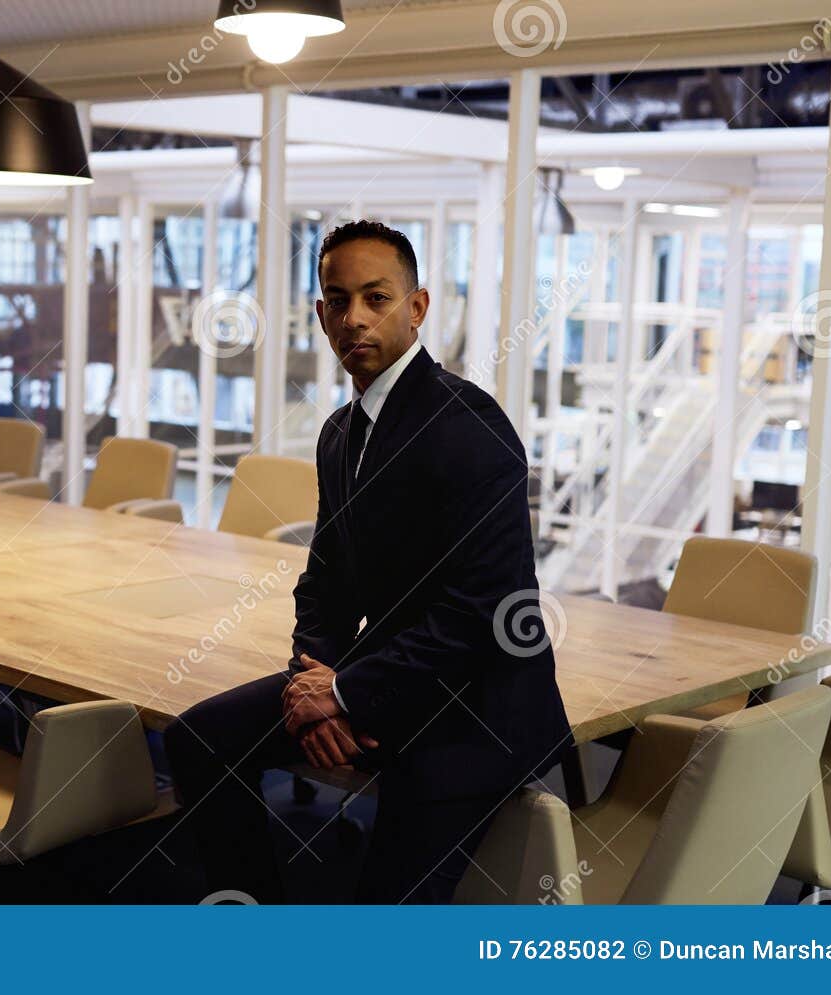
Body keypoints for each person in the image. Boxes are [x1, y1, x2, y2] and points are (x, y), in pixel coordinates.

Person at [164, 220, 571, 905]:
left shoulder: (469, 428)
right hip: (383, 675)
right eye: (338, 299)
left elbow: (484, 615)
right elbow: (324, 582)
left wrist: (346, 692)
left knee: (381, 911)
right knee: (197, 739)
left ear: (417, 309)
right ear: (321, 315)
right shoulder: (339, 433)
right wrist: (310, 690)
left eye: (376, 298)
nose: (355, 317)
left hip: (474, 708)